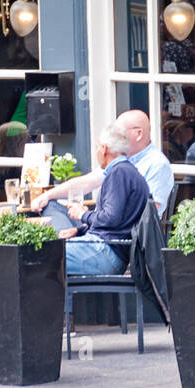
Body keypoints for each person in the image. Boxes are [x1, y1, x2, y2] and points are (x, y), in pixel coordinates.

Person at [43, 120, 148, 276]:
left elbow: (111, 218)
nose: (97, 151)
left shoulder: (119, 173)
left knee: (38, 257)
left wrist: (82, 215)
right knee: (44, 254)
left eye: (98, 146)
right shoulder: (128, 172)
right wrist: (78, 230)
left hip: (105, 252)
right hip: (108, 251)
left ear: (104, 149)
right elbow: (117, 222)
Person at [32, 109, 174, 216]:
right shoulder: (120, 160)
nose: (114, 136)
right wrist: (47, 195)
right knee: (51, 207)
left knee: (61, 250)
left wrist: (86, 217)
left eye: (119, 132)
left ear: (138, 134)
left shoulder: (157, 164)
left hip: (125, 242)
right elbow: (87, 182)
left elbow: (146, 214)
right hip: (100, 227)